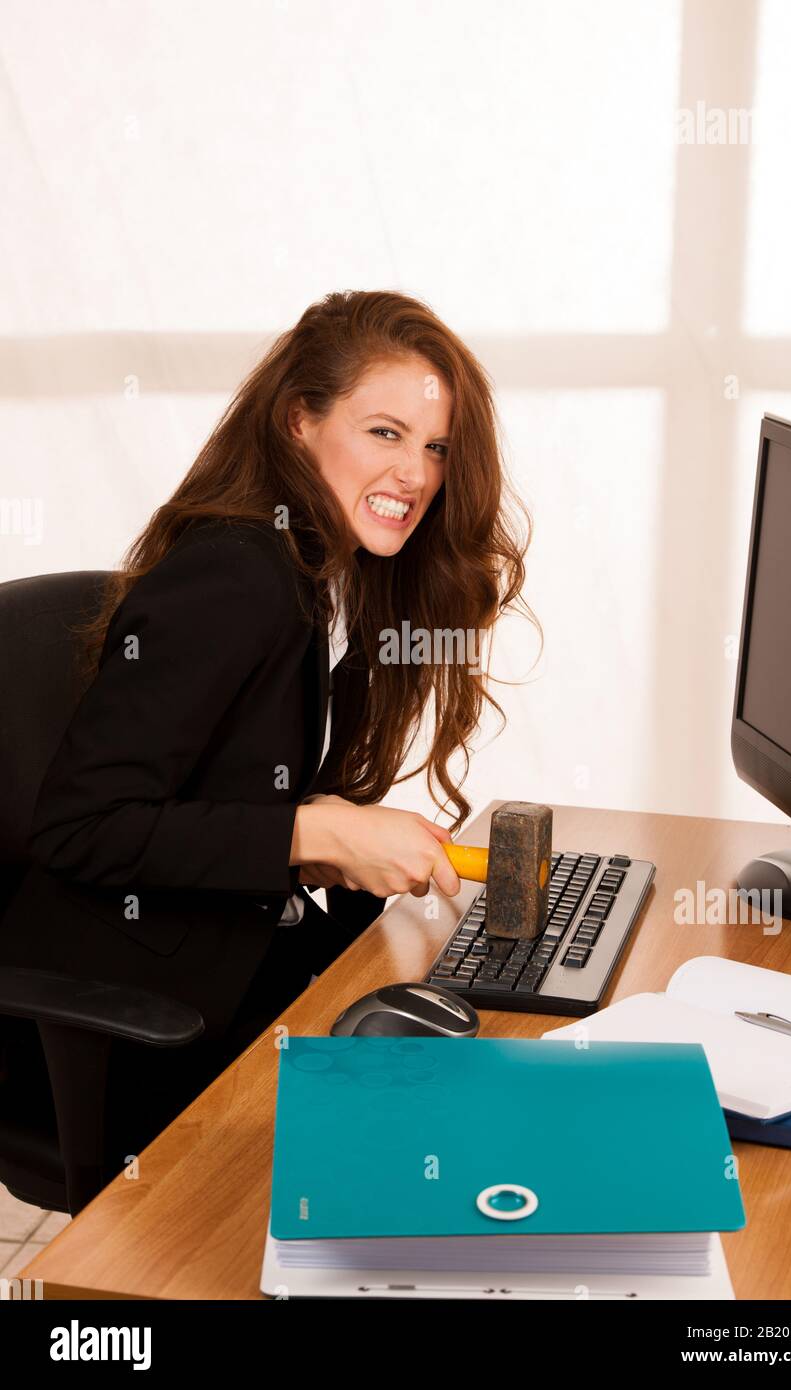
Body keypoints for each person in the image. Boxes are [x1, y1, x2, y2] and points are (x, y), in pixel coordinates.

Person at [0, 289, 536, 1173]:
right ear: (299, 421)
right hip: (128, 1027)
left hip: (232, 969)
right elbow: (81, 826)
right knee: (456, 1143)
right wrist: (311, 831)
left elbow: (225, 796)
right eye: (385, 433)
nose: (417, 474)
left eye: (437, 448)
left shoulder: (323, 574)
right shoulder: (234, 575)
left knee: (491, 1077)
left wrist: (326, 848)